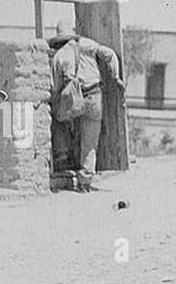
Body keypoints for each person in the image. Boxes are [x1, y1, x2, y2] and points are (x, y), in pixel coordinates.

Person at [47, 26, 124, 191]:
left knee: (57, 120)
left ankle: (63, 157)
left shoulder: (59, 57)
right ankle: (84, 182)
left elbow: (54, 88)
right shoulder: (87, 45)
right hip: (94, 95)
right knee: (90, 141)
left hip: (74, 99)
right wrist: (115, 76)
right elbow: (110, 54)